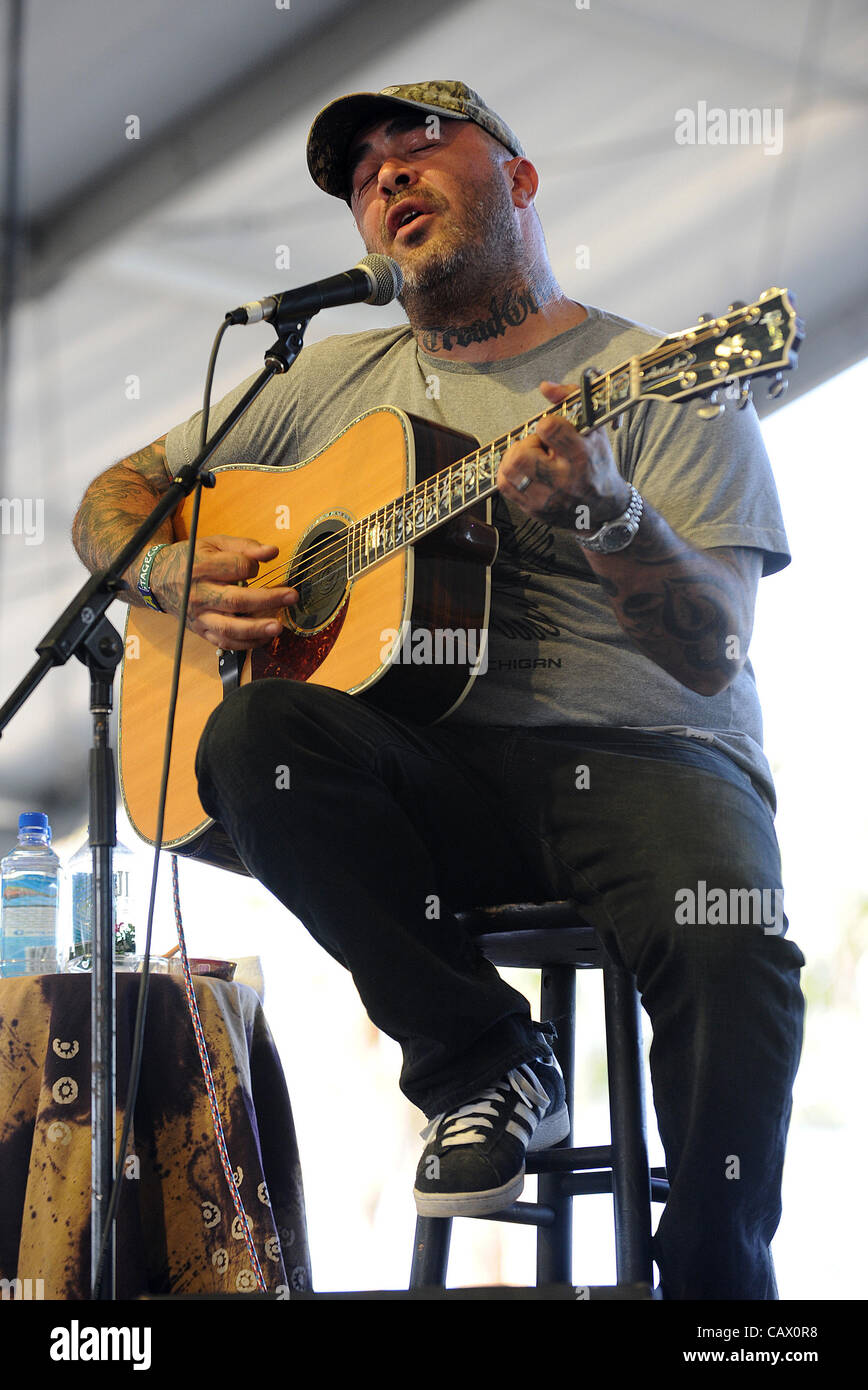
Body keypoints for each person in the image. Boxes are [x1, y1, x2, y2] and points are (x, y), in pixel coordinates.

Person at [72, 80, 804, 1300]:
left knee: (730, 938)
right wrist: (164, 568)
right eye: (361, 175)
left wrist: (607, 511)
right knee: (254, 728)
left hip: (646, 756)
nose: (387, 176)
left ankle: (719, 1292)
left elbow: (714, 653)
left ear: (517, 180)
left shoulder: (660, 377)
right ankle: (485, 1063)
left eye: (421, 144)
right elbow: (119, 491)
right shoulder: (317, 385)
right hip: (438, 779)